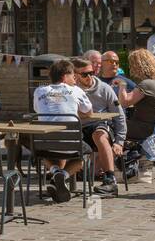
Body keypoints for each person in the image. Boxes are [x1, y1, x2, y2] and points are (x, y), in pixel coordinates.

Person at [32, 58, 93, 202]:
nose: (75, 79)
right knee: (87, 153)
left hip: (45, 145)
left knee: (42, 152)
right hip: (70, 144)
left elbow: (37, 110)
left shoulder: (39, 91)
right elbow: (89, 111)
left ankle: (55, 172)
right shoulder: (75, 90)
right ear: (65, 76)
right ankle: (63, 175)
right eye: (73, 75)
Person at [72, 56, 126, 196]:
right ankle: (60, 179)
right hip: (78, 129)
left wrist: (120, 141)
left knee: (99, 135)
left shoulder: (104, 88)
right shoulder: (70, 90)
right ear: (75, 75)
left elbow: (119, 115)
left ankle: (110, 180)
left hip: (100, 126)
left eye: (91, 73)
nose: (89, 77)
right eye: (85, 74)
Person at [116, 48, 155, 185]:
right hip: (153, 126)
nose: (131, 68)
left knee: (109, 128)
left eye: (132, 64)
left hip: (143, 128)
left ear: (138, 66)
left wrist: (122, 85)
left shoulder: (146, 84)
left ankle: (113, 170)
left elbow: (125, 102)